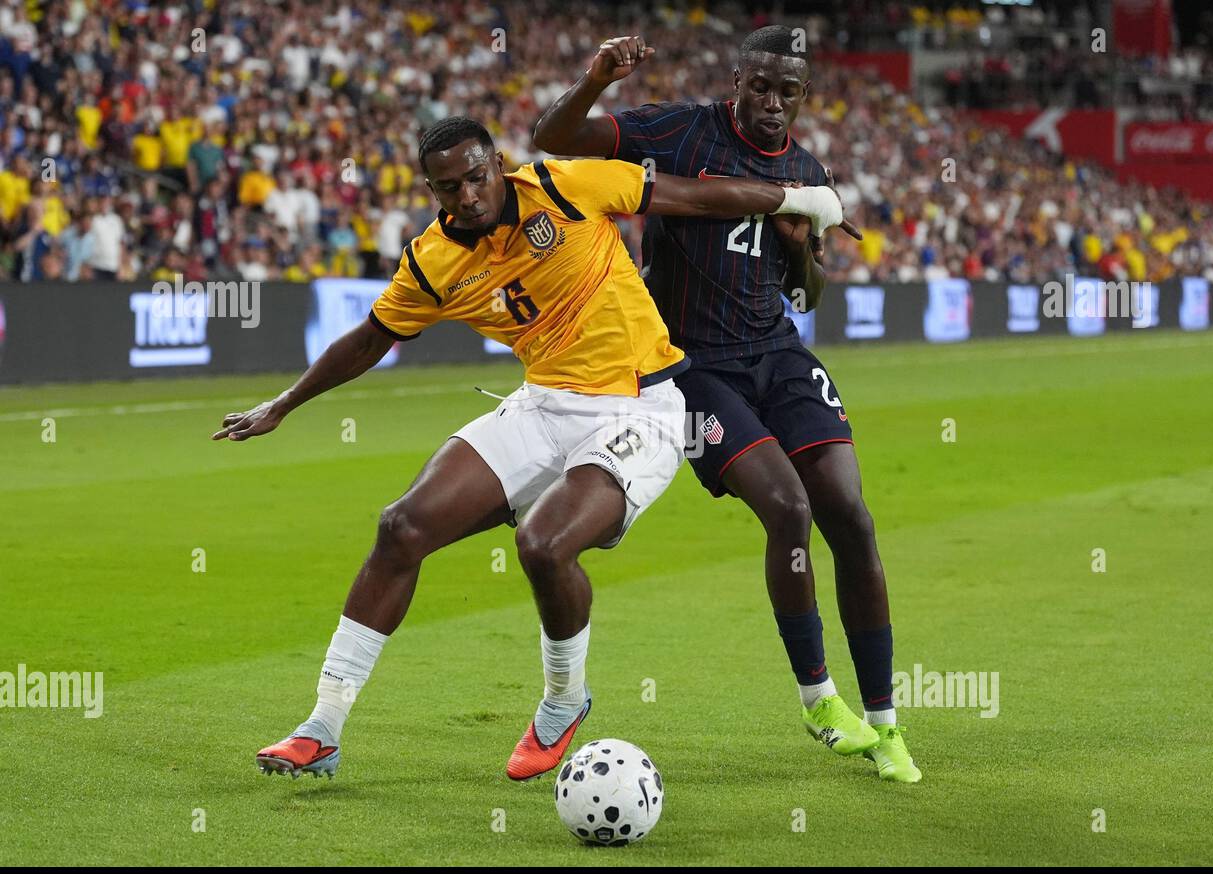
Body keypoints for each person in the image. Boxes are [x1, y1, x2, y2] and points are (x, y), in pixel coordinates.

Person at [212, 116, 851, 781]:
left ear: (498, 163)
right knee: (401, 528)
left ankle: (563, 700)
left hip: (642, 406)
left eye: (476, 177)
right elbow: (371, 339)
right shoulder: (433, 260)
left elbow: (692, 196)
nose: (467, 196)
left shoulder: (565, 186)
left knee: (544, 545)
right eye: (448, 187)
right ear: (431, 190)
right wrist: (282, 405)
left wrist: (797, 199)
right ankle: (323, 726)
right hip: (544, 404)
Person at [533, 25, 921, 781]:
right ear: (737, 79)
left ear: (804, 97)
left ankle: (886, 722)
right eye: (762, 85)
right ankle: (819, 702)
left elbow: (806, 294)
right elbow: (552, 138)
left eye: (789, 91)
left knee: (852, 515)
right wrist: (596, 81)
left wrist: (803, 244)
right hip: (697, 370)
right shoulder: (679, 131)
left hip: (778, 356)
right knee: (789, 510)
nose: (774, 103)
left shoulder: (808, 170)